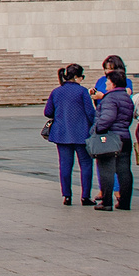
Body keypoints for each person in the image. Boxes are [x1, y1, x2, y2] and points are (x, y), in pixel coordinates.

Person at [43, 64, 97, 206]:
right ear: (77, 77)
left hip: (61, 133)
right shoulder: (82, 92)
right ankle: (85, 196)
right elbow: (90, 113)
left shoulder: (56, 91)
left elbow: (48, 112)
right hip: (82, 133)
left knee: (65, 165)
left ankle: (67, 195)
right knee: (85, 164)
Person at [91, 68, 135, 211]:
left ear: (114, 83)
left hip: (109, 137)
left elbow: (107, 118)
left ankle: (106, 202)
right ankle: (124, 202)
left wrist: (96, 129)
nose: (107, 84)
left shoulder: (110, 98)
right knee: (124, 171)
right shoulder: (126, 98)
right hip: (125, 136)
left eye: (108, 82)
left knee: (106, 170)